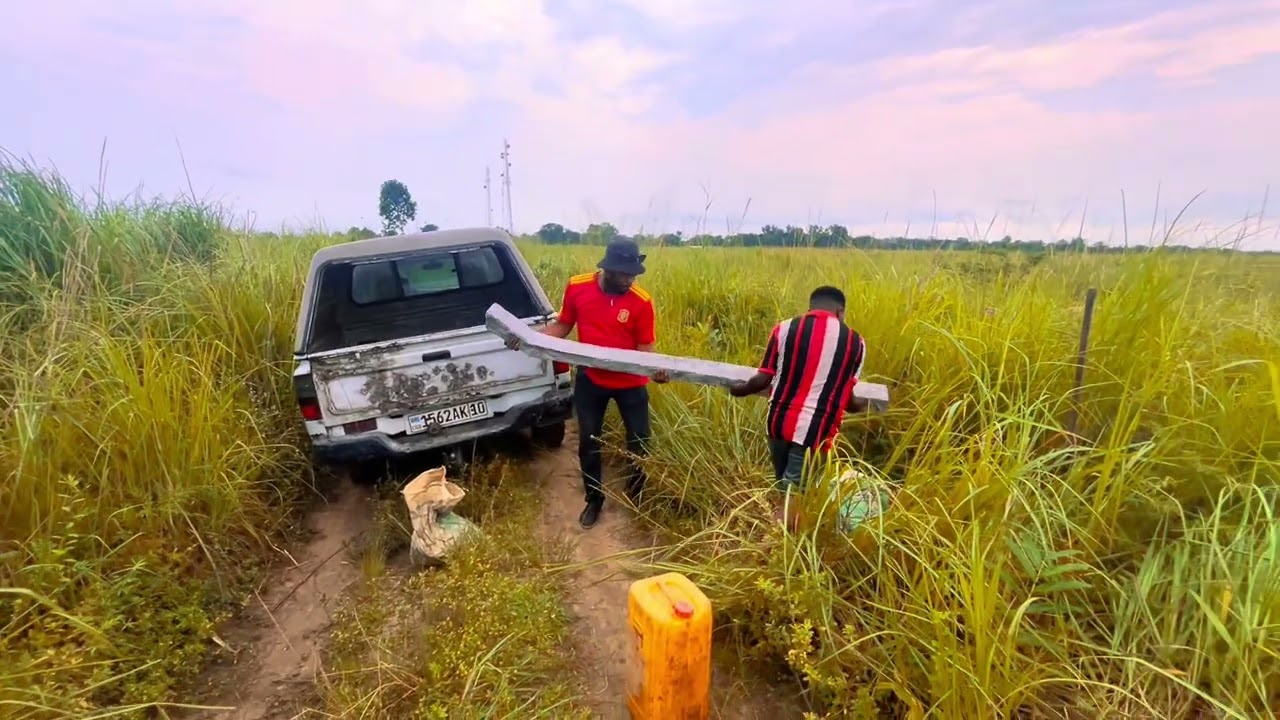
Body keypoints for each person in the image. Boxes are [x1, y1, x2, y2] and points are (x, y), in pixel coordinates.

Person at [506, 237, 668, 529]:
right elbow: (563, 325)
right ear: (608, 268)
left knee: (640, 442)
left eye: (633, 274)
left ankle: (637, 493)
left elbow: (645, 348)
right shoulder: (578, 287)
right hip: (592, 380)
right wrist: (529, 339)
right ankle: (594, 499)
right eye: (624, 274)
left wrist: (659, 369)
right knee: (589, 442)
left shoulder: (641, 302)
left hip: (631, 383)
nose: (630, 280)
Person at [728, 286, 868, 523]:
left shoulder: (784, 329)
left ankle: (782, 530)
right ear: (840, 311)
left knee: (785, 486)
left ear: (811, 307)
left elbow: (762, 379)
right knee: (795, 492)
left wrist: (736, 390)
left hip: (778, 424)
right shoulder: (856, 343)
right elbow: (848, 400)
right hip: (814, 431)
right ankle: (780, 539)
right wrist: (863, 405)